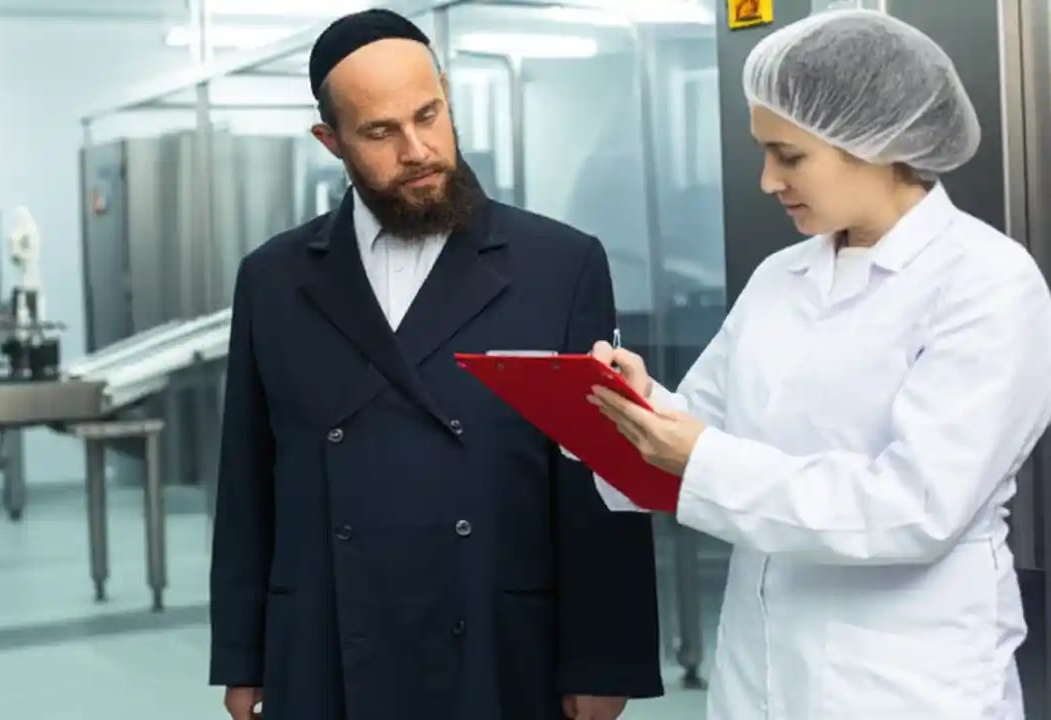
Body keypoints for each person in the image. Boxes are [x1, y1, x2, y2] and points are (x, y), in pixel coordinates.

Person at [583, 10, 1051, 720]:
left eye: (789, 155)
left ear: (875, 142)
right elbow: (701, 430)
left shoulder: (986, 282)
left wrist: (701, 456)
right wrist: (636, 404)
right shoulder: (782, 276)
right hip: (757, 676)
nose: (769, 180)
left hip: (907, 687)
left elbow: (918, 508)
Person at [209, 9, 663, 720]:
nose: (418, 149)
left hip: (497, 635)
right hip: (326, 634)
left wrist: (607, 661)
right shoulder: (273, 277)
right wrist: (242, 655)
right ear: (332, 141)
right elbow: (247, 477)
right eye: (380, 132)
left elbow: (593, 478)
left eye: (430, 115)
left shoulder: (560, 264)